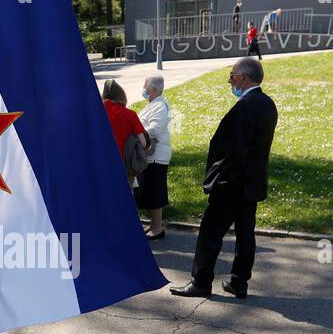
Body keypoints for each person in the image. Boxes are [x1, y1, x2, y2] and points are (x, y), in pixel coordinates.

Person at [170, 56, 277, 300]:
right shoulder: (268, 104)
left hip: (233, 183)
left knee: (210, 233)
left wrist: (222, 179)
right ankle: (239, 281)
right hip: (253, 182)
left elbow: (235, 150)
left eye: (232, 76)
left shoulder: (245, 107)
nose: (230, 81)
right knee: (245, 233)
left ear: (244, 77)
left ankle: (201, 281)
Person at [136, 75, 172, 240]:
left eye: (145, 86)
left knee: (155, 192)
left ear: (154, 89)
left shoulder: (159, 106)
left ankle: (157, 228)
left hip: (156, 156)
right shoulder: (154, 104)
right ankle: (154, 224)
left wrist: (137, 134)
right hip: (151, 155)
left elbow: (155, 129)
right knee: (150, 191)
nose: (143, 89)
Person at [101, 80, 147, 189]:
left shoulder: (95, 114)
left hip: (100, 163)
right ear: (121, 95)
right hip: (124, 164)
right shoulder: (130, 114)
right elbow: (143, 143)